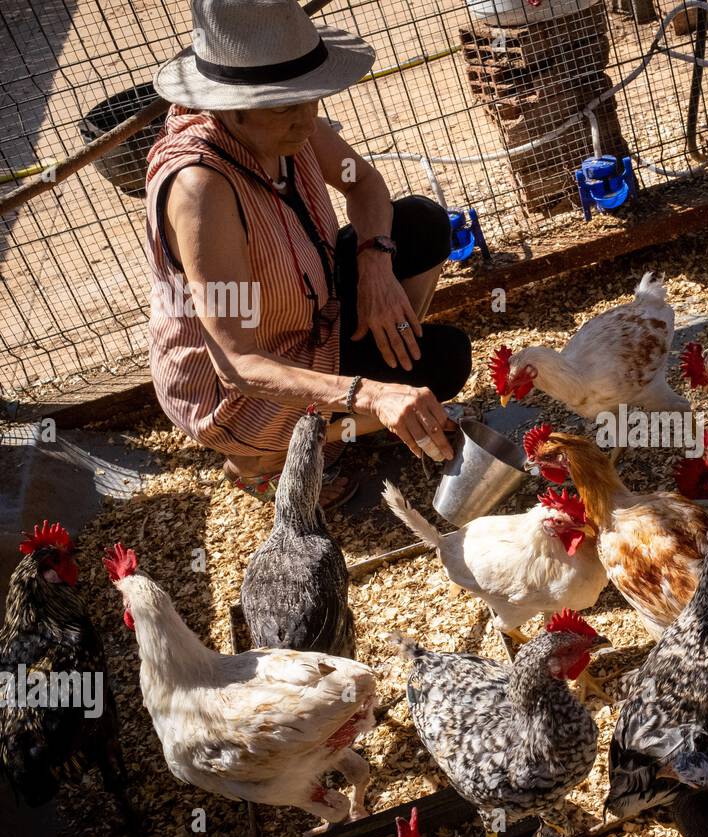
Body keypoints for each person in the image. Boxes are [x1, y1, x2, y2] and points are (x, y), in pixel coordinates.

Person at [146, 0, 472, 507]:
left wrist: (375, 264)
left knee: (420, 223)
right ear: (230, 106)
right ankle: (262, 459)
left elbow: (364, 184)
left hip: (309, 314)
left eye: (310, 99)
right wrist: (372, 393)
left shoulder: (286, 121)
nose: (306, 121)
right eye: (284, 107)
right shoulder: (202, 189)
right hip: (241, 391)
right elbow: (239, 364)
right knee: (445, 363)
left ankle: (363, 401)